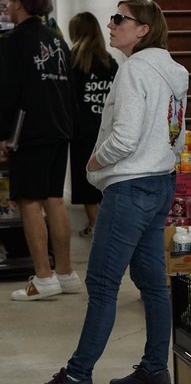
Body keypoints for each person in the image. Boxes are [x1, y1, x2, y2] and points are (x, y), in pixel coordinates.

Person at [24, 0, 188, 384]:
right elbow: (174, 130)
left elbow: (127, 135)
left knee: (101, 282)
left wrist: (94, 161)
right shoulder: (174, 70)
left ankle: (78, 376)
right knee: (152, 283)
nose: (111, 25)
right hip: (160, 182)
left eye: (120, 19)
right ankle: (154, 368)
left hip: (130, 187)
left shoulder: (133, 70)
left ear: (143, 29)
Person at [0, 0, 81, 301]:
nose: (5, 4)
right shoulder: (57, 40)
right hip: (59, 129)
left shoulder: (13, 42)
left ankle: (44, 278)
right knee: (54, 199)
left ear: (19, 2)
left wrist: (3, 136)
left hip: (27, 132)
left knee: (30, 203)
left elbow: (7, 94)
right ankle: (66, 272)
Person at [68, 12, 118, 237]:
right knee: (107, 179)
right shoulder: (110, 62)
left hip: (81, 132)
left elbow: (68, 98)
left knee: (85, 180)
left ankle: (95, 223)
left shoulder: (73, 60)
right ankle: (106, 224)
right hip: (107, 132)